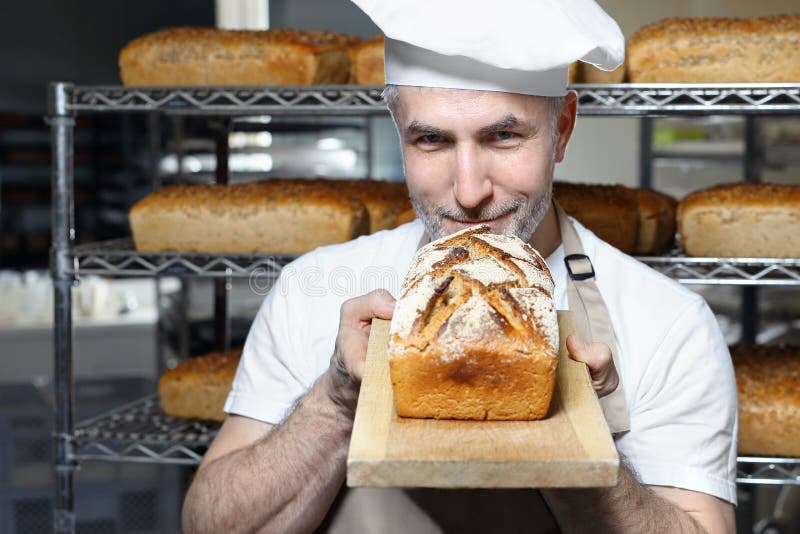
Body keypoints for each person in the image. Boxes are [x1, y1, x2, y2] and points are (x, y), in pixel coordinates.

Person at [182, 1, 738, 532]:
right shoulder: (311, 290)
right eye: (431, 140)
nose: (469, 192)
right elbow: (208, 524)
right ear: (398, 131)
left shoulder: (668, 323)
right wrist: (334, 404)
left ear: (562, 128)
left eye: (503, 136)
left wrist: (574, 437)